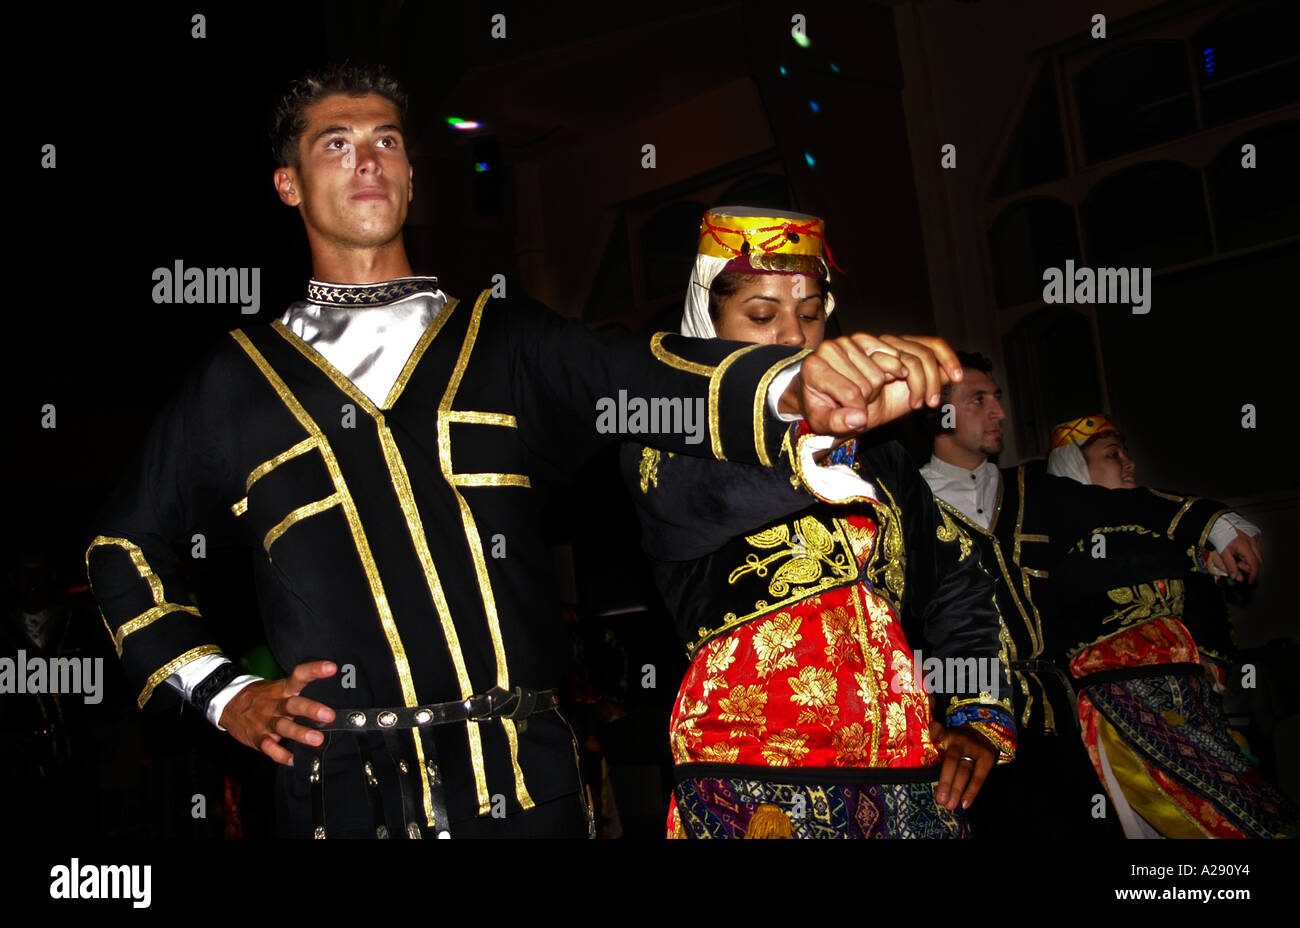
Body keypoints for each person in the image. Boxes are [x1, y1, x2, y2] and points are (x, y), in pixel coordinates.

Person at [84, 66, 958, 839]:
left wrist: (796, 388)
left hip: (523, 782)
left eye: (387, 140)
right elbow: (124, 547)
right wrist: (221, 691)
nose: (367, 159)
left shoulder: (507, 341)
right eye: (335, 143)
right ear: (286, 183)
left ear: (413, 175)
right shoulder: (235, 382)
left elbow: (645, 373)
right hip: (339, 794)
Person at [620, 208, 1015, 838]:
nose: (790, 338)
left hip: (907, 780)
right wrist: (812, 436)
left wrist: (976, 715)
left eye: (809, 316)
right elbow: (697, 505)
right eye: (760, 315)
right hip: (754, 779)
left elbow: (957, 582)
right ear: (707, 319)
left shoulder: (884, 455)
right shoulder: (669, 434)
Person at [919, 352, 1263, 838]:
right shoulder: (904, 502)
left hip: (1058, 720)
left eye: (998, 398)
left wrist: (1216, 524)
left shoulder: (1034, 488)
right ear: (940, 411)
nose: (999, 412)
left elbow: (1125, 508)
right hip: (959, 725)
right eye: (979, 400)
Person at [1044, 414, 1297, 837]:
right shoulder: (1056, 535)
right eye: (1112, 454)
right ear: (1074, 467)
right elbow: (1105, 567)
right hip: (1123, 703)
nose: (1129, 464)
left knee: (1260, 810)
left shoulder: (1159, 536)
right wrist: (1199, 554)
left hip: (1194, 706)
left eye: (1126, 453)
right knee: (1230, 822)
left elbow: (1210, 628)